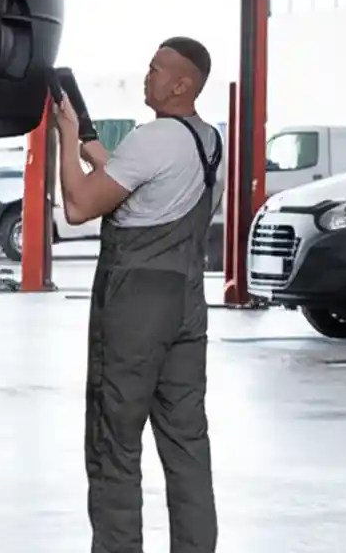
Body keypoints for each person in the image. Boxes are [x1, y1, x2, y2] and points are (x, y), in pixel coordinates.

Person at [54, 37, 223, 553]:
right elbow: (143, 185)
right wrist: (94, 150)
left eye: (155, 69)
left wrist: (65, 137)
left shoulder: (152, 139)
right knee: (187, 444)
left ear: (182, 84)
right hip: (187, 304)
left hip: (135, 308)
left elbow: (80, 206)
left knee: (115, 444)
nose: (146, 76)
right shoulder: (208, 140)